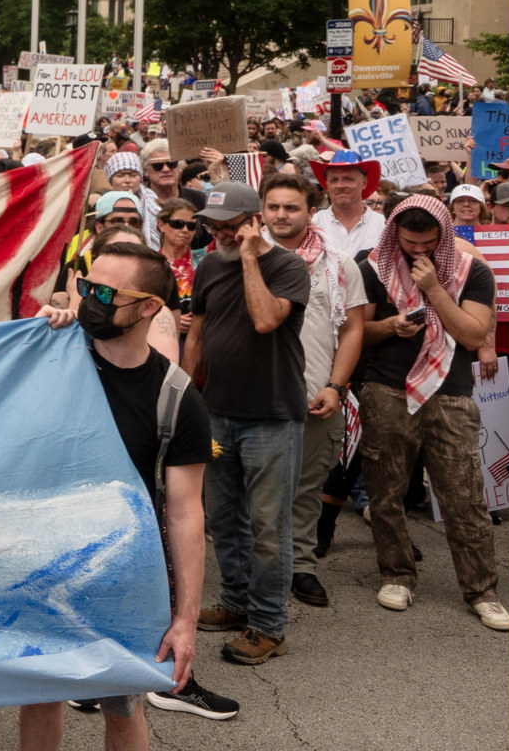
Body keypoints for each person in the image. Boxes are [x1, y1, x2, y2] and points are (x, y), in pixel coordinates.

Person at [27, 242, 232, 742]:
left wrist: (185, 619)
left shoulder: (177, 398)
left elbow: (186, 514)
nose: (89, 298)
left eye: (105, 292)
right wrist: (42, 323)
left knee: (122, 707)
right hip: (43, 568)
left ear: (148, 307)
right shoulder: (48, 356)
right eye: (86, 285)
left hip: (123, 578)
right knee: (38, 698)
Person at [354, 195, 509, 631]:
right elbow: (354, 334)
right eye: (409, 242)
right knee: (386, 492)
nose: (419, 251)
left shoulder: (471, 271)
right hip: (387, 390)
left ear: (443, 233)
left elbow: (474, 332)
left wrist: (434, 290)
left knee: (464, 496)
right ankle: (397, 575)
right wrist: (390, 326)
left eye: (428, 242)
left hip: (452, 394)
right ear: (394, 234)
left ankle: (482, 591)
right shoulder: (372, 268)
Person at [180, 180, 312, 664]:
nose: (219, 235)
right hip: (217, 413)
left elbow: (264, 320)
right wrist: (184, 390)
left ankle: (268, 625)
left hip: (272, 416)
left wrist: (252, 256)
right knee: (223, 519)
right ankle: (235, 604)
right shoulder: (210, 264)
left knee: (268, 527)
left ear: (254, 222)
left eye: (230, 227)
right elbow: (199, 329)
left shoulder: (288, 267)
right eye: (212, 226)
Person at [257, 175, 365, 609]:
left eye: (292, 207)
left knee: (306, 489)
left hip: (315, 397)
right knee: (257, 491)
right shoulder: (243, 259)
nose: (282, 215)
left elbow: (353, 328)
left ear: (310, 210)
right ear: (262, 210)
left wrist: (336, 386)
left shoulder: (338, 264)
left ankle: (301, 565)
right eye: (274, 207)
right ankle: (259, 570)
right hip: (255, 400)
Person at [310, 150, 385, 256]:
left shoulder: (383, 226)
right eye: (334, 180)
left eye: (348, 179)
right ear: (327, 185)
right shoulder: (312, 224)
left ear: (364, 183)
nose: (340, 186)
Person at [155, 197, 201, 344]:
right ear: (161, 225)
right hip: (164, 341)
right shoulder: (151, 264)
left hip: (201, 341)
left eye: (191, 226)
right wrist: (172, 321)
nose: (185, 230)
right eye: (178, 224)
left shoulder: (205, 260)